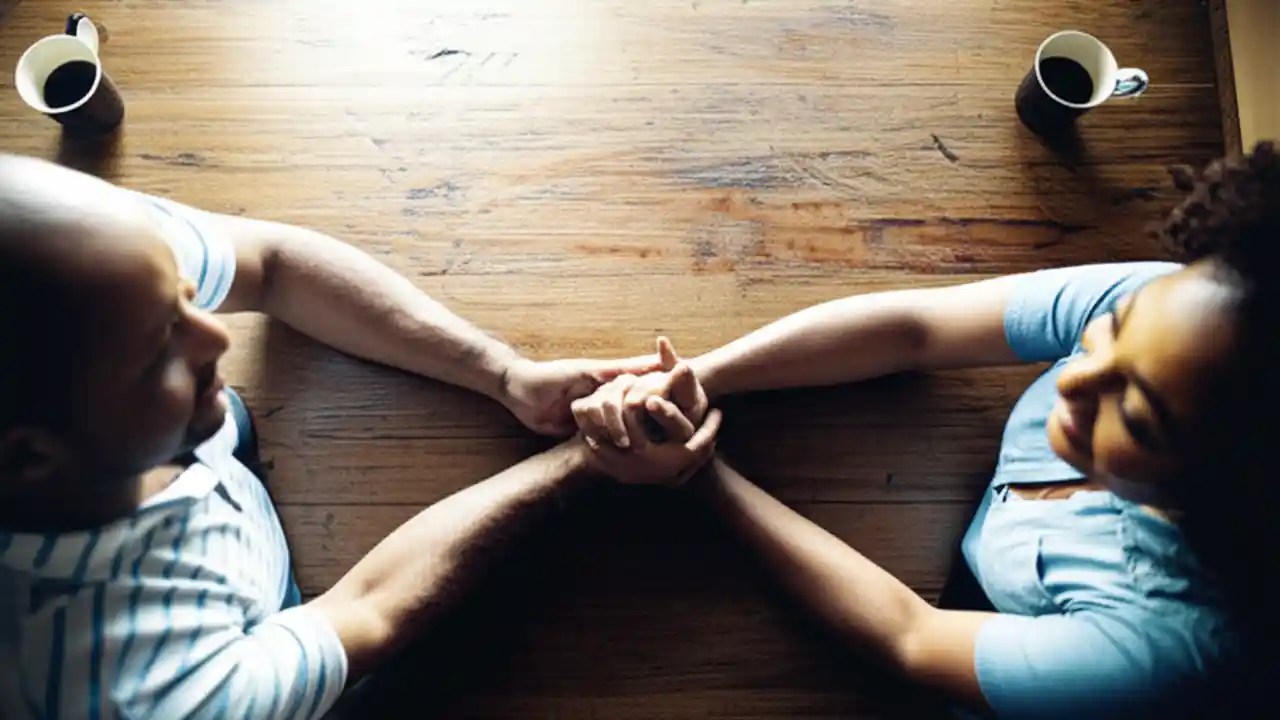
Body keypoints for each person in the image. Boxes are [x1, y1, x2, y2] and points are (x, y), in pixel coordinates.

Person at [0, 154, 723, 719]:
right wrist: (582, 466)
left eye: (186, 297)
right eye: (161, 346)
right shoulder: (135, 690)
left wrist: (505, 374)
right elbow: (366, 611)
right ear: (32, 456)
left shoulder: (74, 261)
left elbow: (275, 268)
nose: (217, 331)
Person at [573, 142, 1279, 717]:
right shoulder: (1186, 313)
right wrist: (699, 377)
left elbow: (908, 638)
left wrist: (702, 475)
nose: (1075, 379)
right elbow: (920, 328)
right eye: (1111, 334)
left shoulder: (1169, 654)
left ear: (1224, 487)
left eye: (1137, 412)